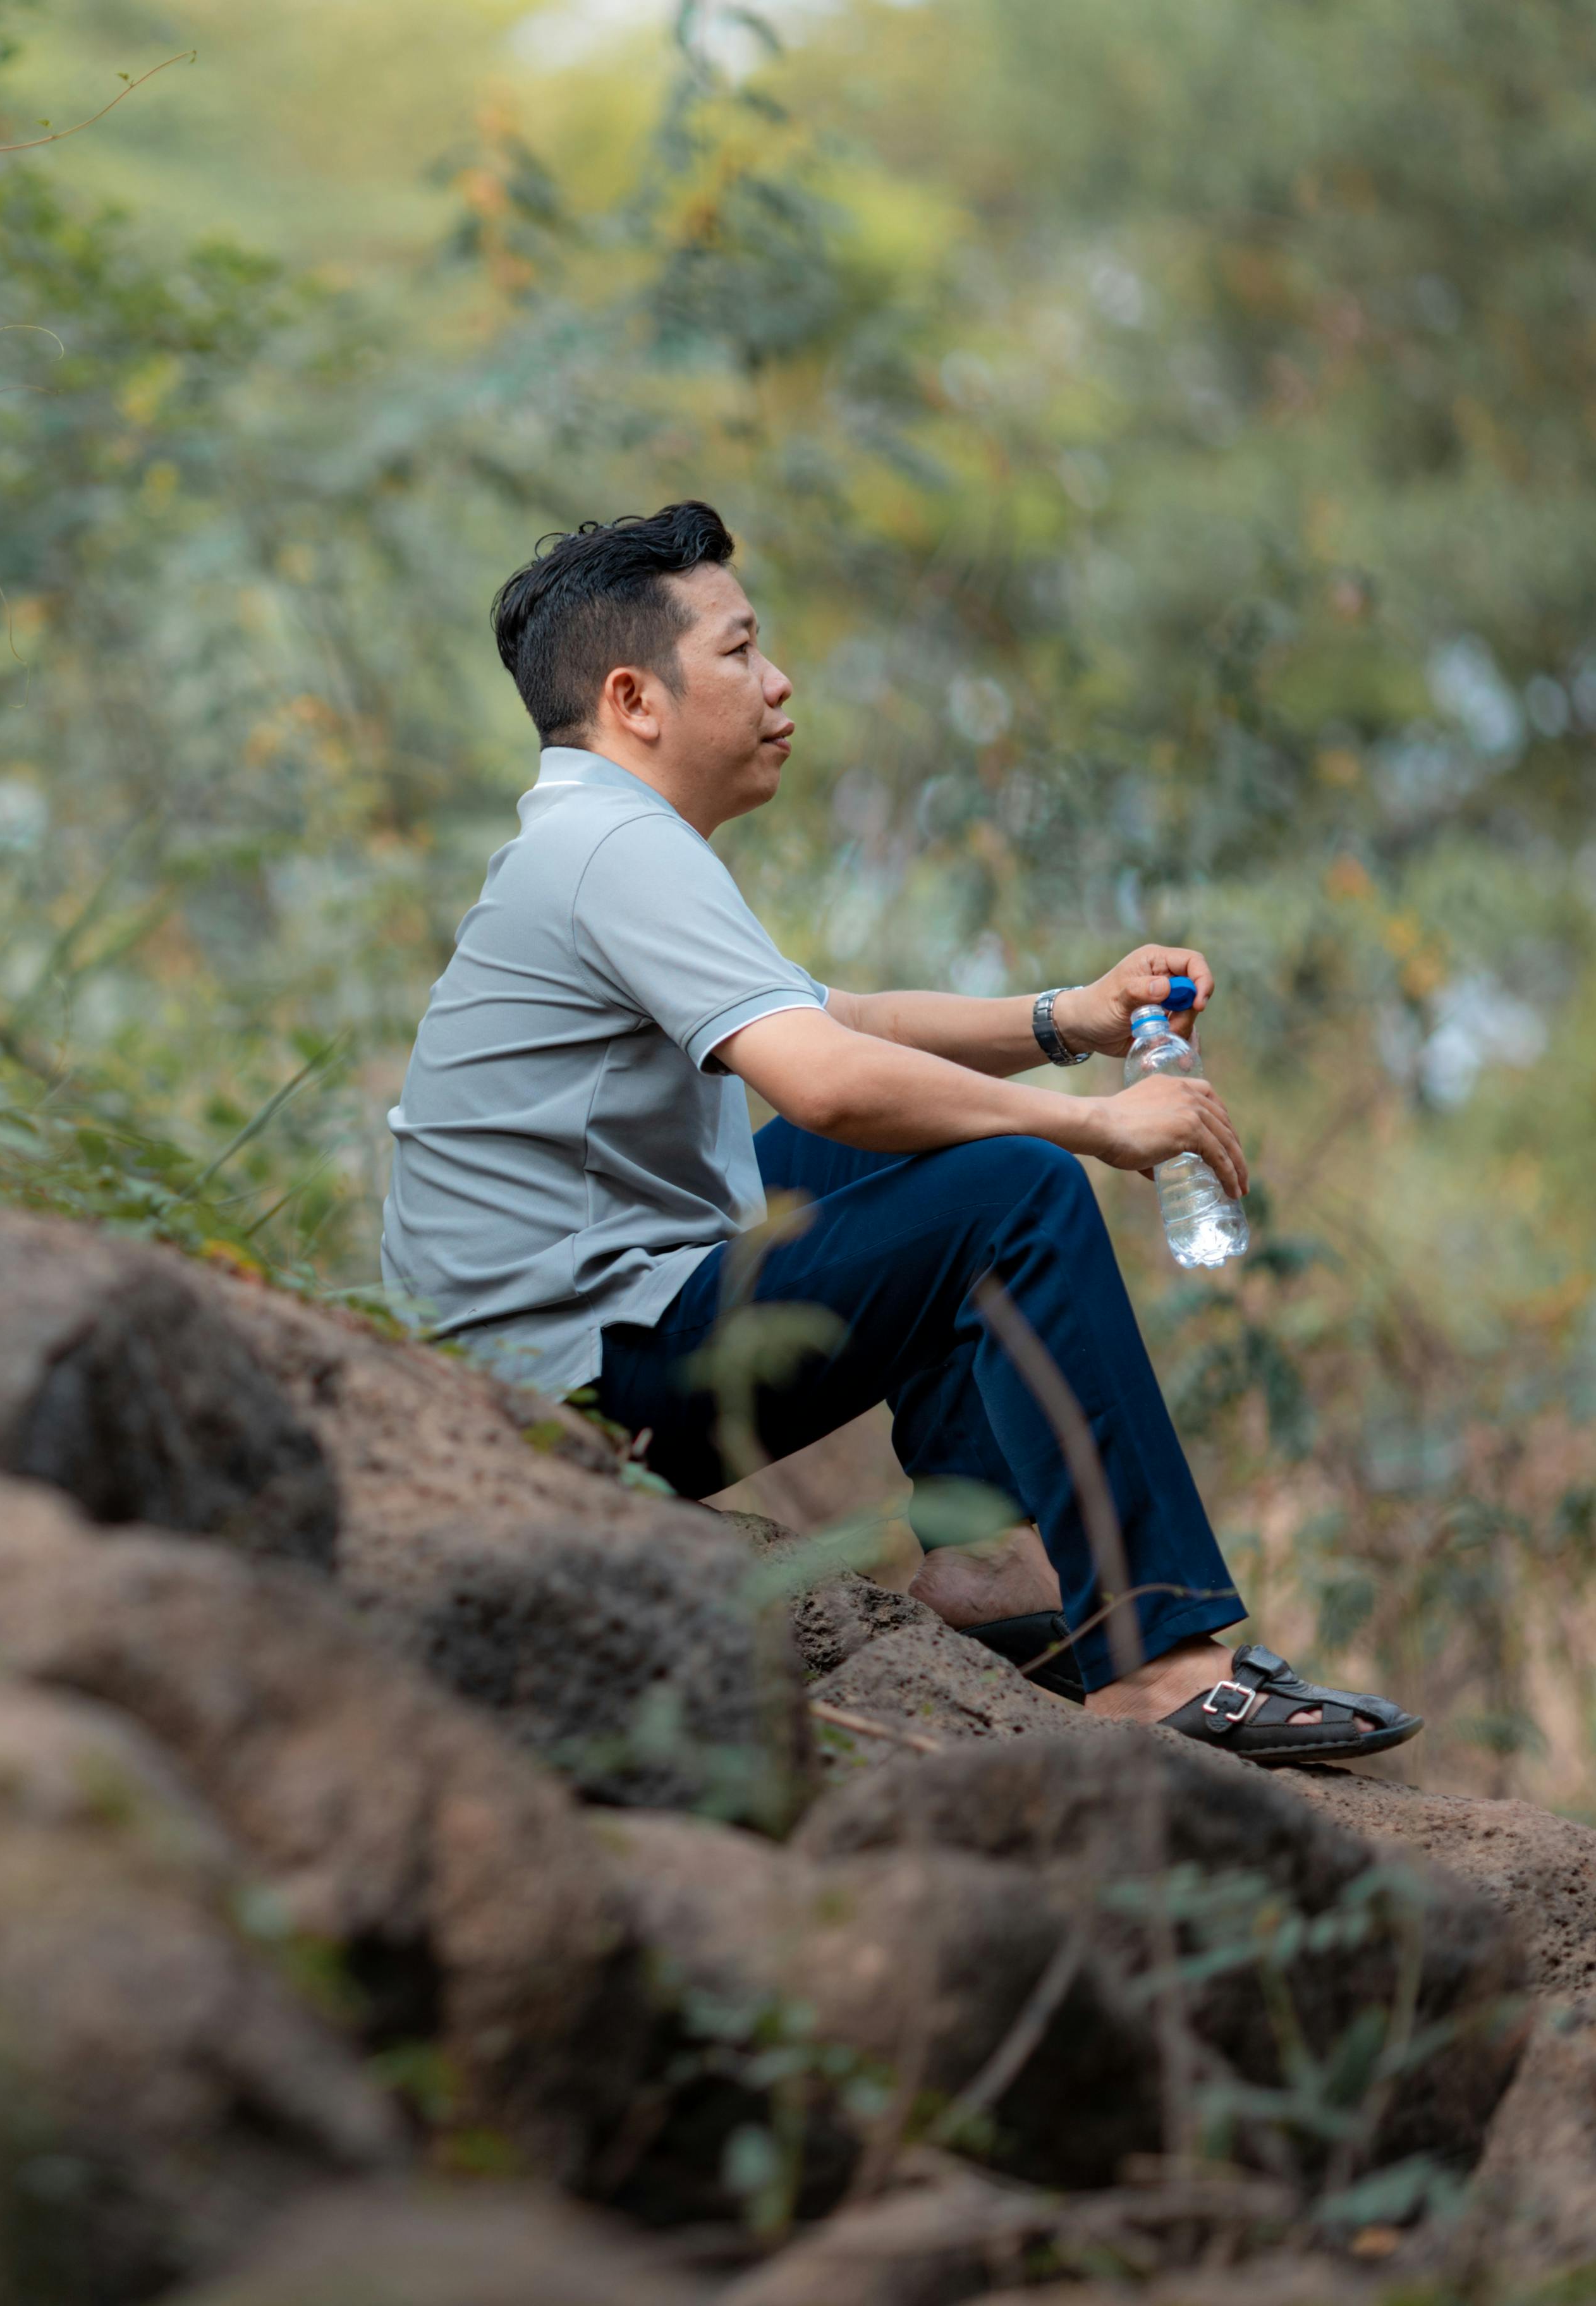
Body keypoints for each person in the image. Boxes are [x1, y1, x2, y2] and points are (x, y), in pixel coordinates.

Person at [378, 501, 1417, 1765]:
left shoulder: (599, 837)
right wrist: (1096, 1124)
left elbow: (836, 1021)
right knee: (1016, 1184)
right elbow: (823, 1082)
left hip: (586, 1340)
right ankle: (1158, 1664)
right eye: (743, 651)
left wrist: (1066, 1018)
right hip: (573, 1388)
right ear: (634, 699)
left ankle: (990, 1570)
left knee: (927, 1143)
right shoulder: (614, 849)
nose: (780, 682)